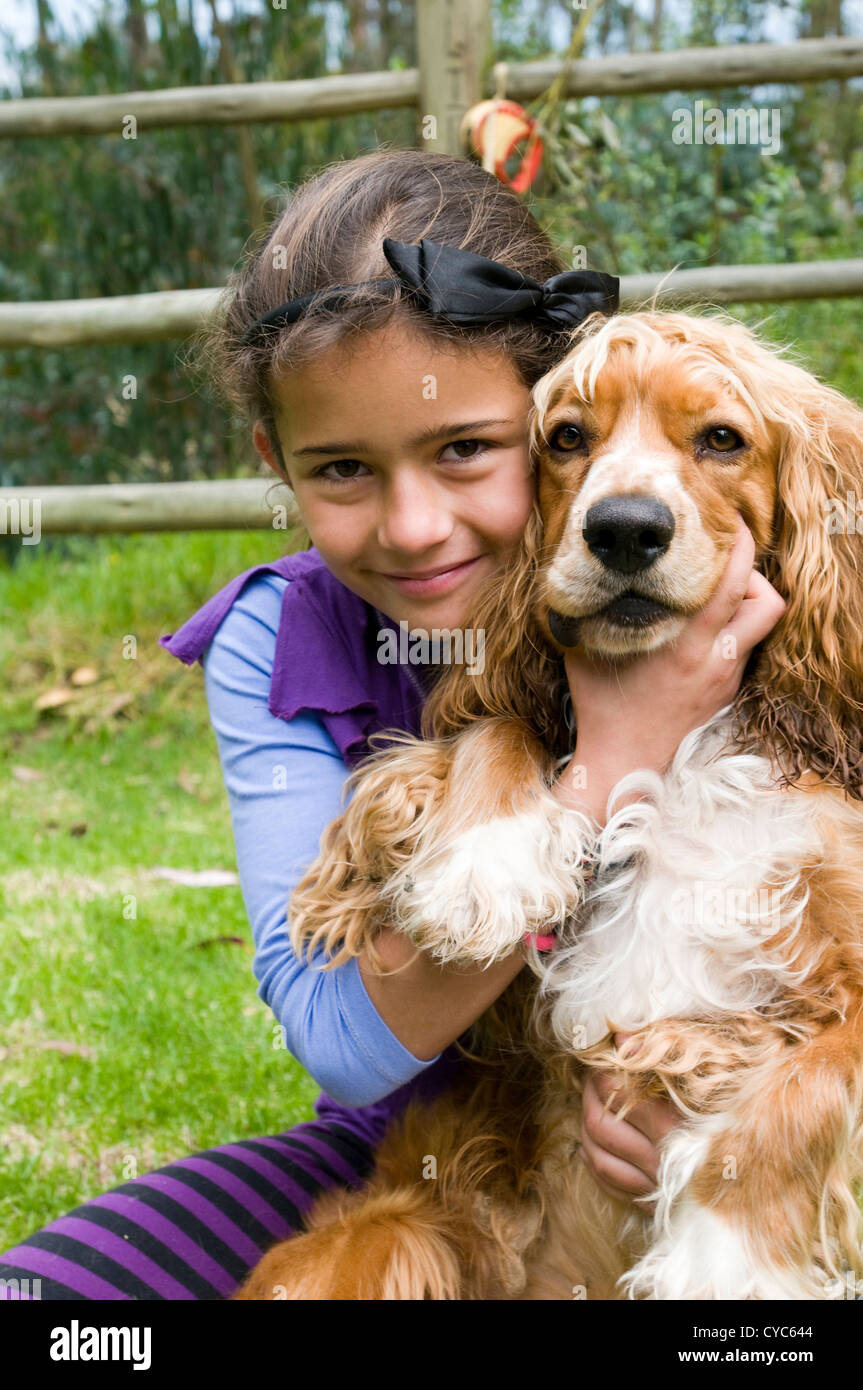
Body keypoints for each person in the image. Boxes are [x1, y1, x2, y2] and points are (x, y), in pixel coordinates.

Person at [0, 148, 785, 1299]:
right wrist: (609, 761)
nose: (414, 527)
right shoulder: (279, 644)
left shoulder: (700, 585)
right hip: (413, 1154)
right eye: (341, 470)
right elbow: (340, 1042)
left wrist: (753, 1126)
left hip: (704, 1152)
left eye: (466, 448)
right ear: (275, 461)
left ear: (559, 414)